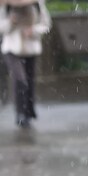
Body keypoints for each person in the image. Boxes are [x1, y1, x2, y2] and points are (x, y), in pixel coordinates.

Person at [1, 0, 51, 129]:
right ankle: (20, 113)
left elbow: (45, 24)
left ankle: (29, 111)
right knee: (20, 79)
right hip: (11, 48)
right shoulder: (6, 6)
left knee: (30, 80)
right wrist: (11, 22)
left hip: (31, 49)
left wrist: (33, 31)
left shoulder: (37, 4)